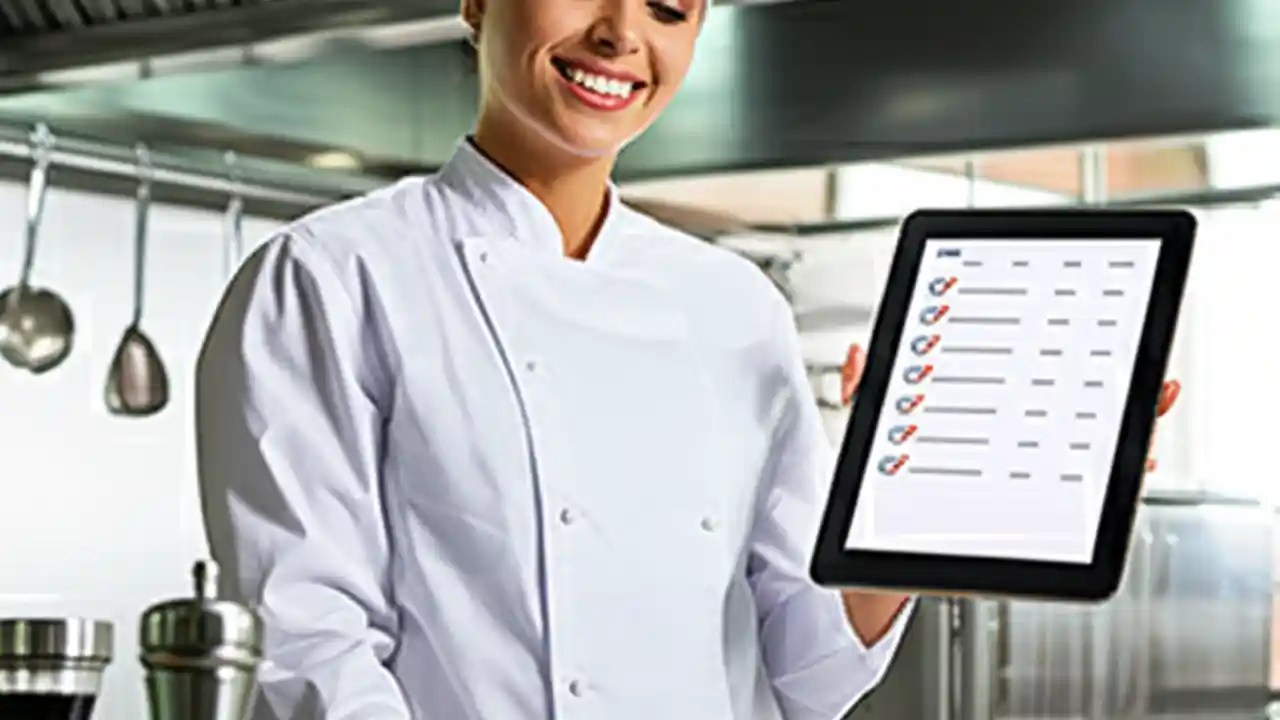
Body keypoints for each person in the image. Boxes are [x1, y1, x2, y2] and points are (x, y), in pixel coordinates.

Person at [194, 0, 1180, 718]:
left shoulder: (733, 304)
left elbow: (806, 669)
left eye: (669, 8)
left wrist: (928, 516)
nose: (623, 36)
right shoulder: (330, 278)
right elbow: (307, 645)